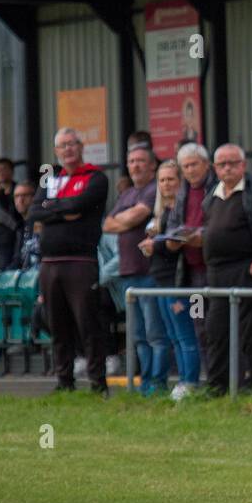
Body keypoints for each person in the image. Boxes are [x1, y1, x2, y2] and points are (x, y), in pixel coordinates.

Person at [26, 127, 111, 397]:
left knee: (88, 323)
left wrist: (54, 208)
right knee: (57, 324)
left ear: (81, 146)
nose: (67, 150)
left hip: (80, 261)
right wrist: (63, 209)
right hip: (50, 264)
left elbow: (81, 205)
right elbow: (33, 212)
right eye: (62, 146)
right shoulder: (50, 178)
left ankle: (98, 383)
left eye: (72, 144)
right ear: (56, 151)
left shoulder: (95, 177)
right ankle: (64, 381)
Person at [201, 144, 252, 394]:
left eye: (233, 163)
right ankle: (218, 387)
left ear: (243, 165)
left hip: (250, 271)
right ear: (214, 168)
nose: (227, 168)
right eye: (222, 164)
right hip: (217, 275)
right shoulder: (212, 195)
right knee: (216, 332)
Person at [103, 143, 169, 394]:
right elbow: (108, 224)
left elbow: (135, 217)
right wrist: (123, 221)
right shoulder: (127, 194)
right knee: (139, 335)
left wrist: (123, 221)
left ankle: (157, 383)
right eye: (131, 162)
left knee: (155, 334)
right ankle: (144, 385)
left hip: (149, 272)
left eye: (141, 161)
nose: (136, 166)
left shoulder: (155, 190)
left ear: (153, 165)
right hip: (127, 273)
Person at [138, 160, 202, 401]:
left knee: (186, 336)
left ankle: (191, 382)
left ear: (180, 182)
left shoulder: (182, 210)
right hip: (160, 281)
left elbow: (176, 243)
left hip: (178, 282)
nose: (166, 184)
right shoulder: (163, 211)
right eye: (162, 180)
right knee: (173, 337)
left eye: (171, 179)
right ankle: (183, 382)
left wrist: (155, 244)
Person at [165, 142, 217, 348]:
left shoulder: (218, 188)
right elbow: (172, 225)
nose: (190, 170)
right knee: (199, 323)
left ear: (206, 164)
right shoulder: (182, 193)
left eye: (194, 164)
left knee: (218, 323)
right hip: (191, 272)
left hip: (215, 269)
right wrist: (172, 240)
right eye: (185, 166)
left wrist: (203, 236)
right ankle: (208, 376)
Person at [11, 181, 41, 270]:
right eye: (17, 196)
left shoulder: (42, 222)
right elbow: (17, 259)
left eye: (25, 195)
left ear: (35, 197)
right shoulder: (19, 227)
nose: (20, 200)